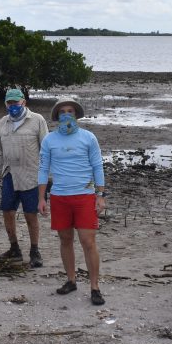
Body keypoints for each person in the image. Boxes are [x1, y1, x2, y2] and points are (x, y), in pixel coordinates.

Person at [37, 98, 108, 306]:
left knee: (88, 241)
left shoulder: (88, 137)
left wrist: (100, 195)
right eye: (62, 112)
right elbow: (43, 169)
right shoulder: (49, 140)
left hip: (84, 195)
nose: (66, 114)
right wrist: (41, 198)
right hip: (59, 196)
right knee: (65, 239)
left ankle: (95, 287)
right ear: (57, 116)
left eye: (70, 111)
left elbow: (97, 165)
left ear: (76, 114)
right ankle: (71, 280)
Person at [0, 87, 49, 268]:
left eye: (16, 102)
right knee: (7, 212)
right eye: (9, 102)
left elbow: (46, 150)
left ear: (23, 102)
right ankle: (14, 248)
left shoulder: (37, 120)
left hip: (32, 175)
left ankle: (35, 251)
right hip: (9, 174)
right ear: (5, 104)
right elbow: (0, 151)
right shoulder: (3, 122)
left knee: (31, 215)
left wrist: (48, 177)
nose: (13, 105)